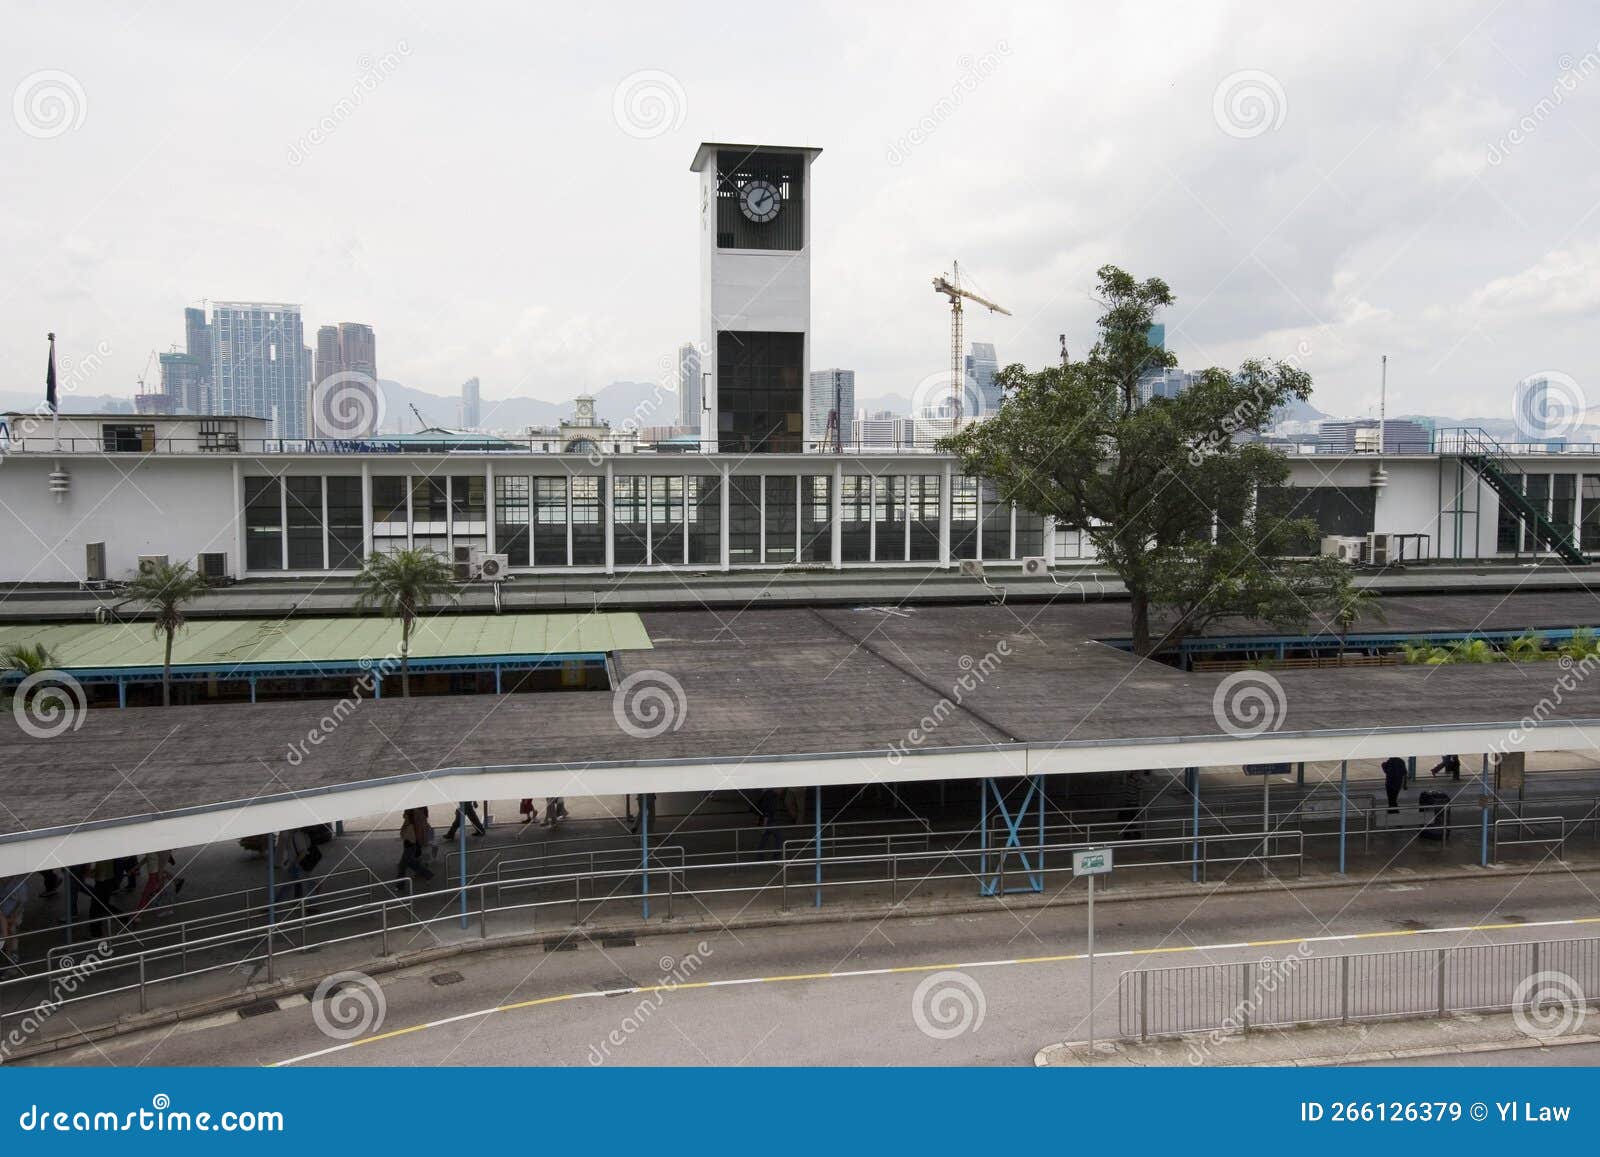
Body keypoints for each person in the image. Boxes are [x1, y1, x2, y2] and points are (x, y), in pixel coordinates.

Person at [131, 850, 184, 925]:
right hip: (154, 875)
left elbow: (162, 862)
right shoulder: (152, 846)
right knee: (153, 894)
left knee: (146, 896)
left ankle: (137, 916)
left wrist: (159, 875)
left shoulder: (164, 849)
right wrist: (137, 866)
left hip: (155, 876)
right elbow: (148, 857)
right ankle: (176, 881)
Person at [396, 808, 434, 882]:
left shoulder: (415, 812)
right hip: (411, 840)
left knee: (403, 864)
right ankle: (427, 873)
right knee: (409, 861)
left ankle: (400, 885)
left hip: (411, 840)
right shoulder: (416, 811)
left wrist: (419, 842)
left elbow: (418, 828)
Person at [0, 874, 29, 971]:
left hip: (14, 913)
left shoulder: (19, 884)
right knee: (7, 934)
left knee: (12, 931)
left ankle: (13, 958)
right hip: (2, 914)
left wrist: (12, 917)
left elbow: (21, 903)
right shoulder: (2, 883)